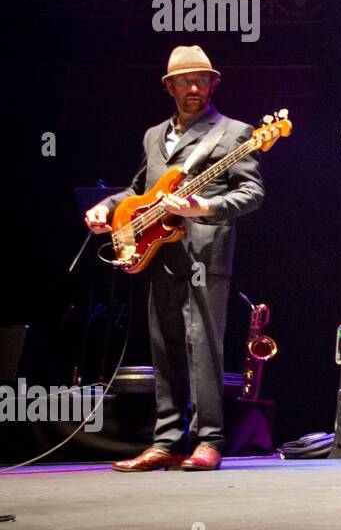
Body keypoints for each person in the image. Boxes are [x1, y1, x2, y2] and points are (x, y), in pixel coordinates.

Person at [84, 46, 265, 471]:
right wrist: (107, 209)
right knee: (164, 348)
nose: (194, 88)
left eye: (202, 80)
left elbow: (252, 193)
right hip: (158, 252)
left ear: (213, 84)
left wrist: (204, 207)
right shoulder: (152, 136)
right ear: (169, 87)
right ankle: (165, 440)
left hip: (206, 253)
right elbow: (137, 190)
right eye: (184, 81)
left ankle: (210, 440)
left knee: (203, 347)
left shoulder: (234, 132)